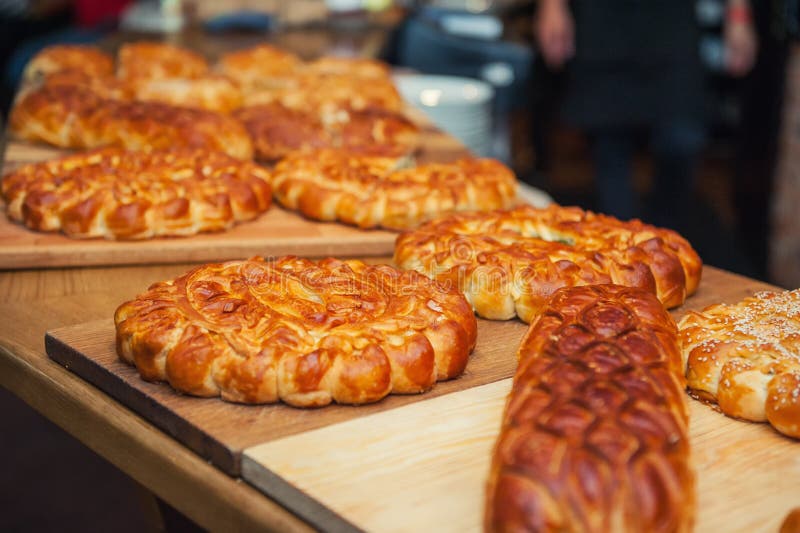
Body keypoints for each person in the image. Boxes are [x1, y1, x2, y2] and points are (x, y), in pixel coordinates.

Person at [535, 0, 758, 228]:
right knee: (609, 151)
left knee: (684, 138)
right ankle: (619, 243)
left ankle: (663, 239)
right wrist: (552, 6)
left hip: (671, 23)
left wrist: (738, 14)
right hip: (602, 23)